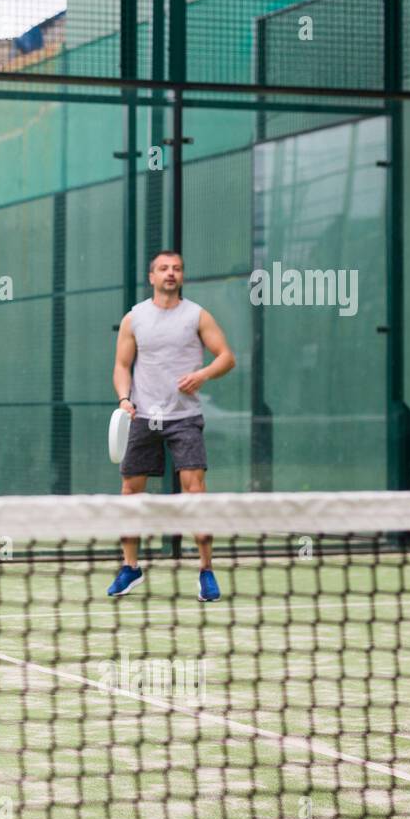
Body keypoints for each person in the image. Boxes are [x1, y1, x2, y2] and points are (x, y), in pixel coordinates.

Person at [108, 250, 235, 602]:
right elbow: (121, 365)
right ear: (152, 276)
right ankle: (130, 568)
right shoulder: (135, 319)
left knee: (195, 493)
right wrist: (124, 398)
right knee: (130, 494)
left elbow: (226, 356)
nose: (170, 273)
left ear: (181, 276)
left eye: (177, 268)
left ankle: (206, 571)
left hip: (185, 418)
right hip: (143, 417)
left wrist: (203, 374)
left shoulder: (196, 316)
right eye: (163, 268)